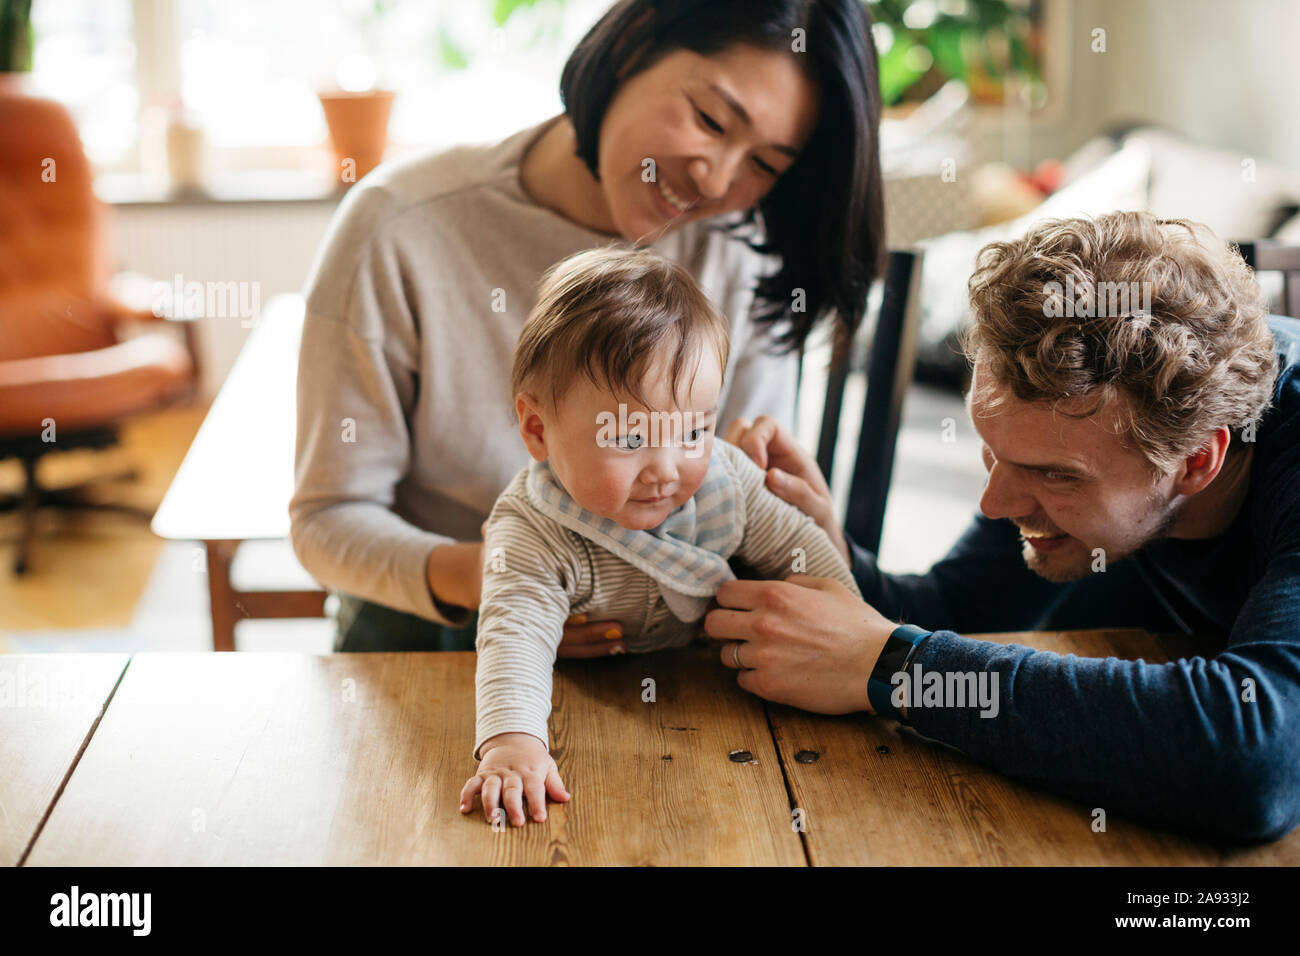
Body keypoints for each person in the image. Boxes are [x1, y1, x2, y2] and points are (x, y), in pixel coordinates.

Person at [289, 0, 886, 652]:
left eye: (766, 164)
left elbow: (740, 512)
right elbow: (328, 520)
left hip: (664, 638)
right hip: (434, 633)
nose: (716, 179)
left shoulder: (742, 251)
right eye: (710, 119)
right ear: (633, 42)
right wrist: (506, 584)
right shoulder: (398, 226)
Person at [710, 210, 1300, 842]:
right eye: (992, 452)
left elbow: (1255, 757)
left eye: (1055, 476)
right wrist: (830, 555)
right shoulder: (1066, 443)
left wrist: (900, 670)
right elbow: (959, 610)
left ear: (1196, 461)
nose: (995, 503)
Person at [457, 246, 859, 826]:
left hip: (709, 698)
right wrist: (513, 745)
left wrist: (855, 640)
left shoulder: (726, 481)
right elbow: (513, 632)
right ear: (538, 429)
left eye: (693, 430)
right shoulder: (533, 526)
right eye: (627, 439)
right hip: (584, 702)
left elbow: (808, 556)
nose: (666, 469)